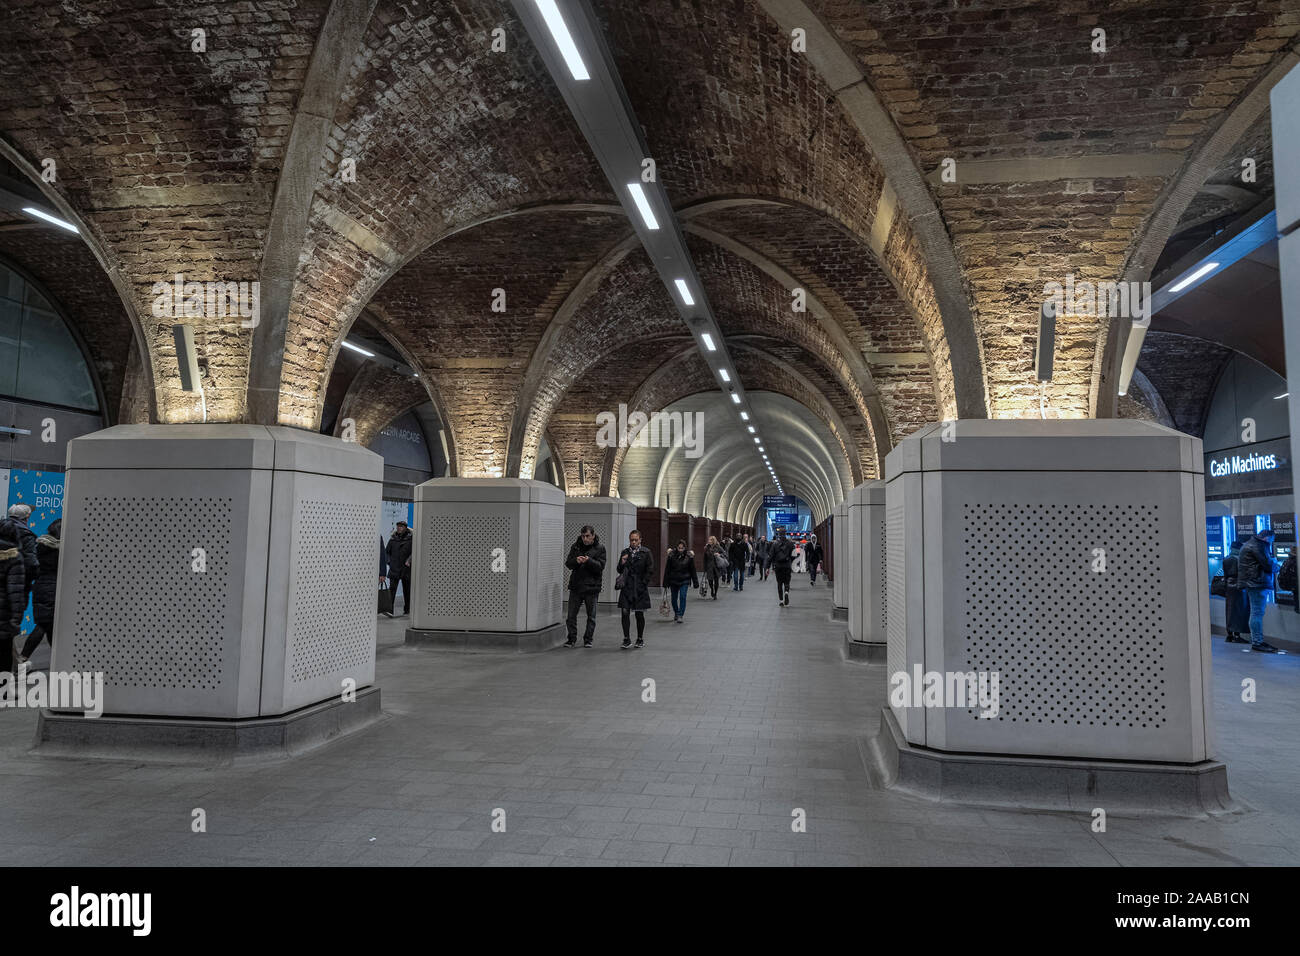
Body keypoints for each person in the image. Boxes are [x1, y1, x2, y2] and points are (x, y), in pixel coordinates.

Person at [17, 519, 60, 665]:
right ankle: (22, 658)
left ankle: (58, 659)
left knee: (49, 627)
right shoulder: (58, 550)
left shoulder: (39, 545)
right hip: (52, 589)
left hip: (40, 587)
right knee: (44, 626)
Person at [1237, 527, 1280, 653]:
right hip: (1257, 583)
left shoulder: (1250, 544)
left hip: (1253, 583)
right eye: (1271, 541)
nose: (1271, 543)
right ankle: (1257, 642)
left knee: (1256, 613)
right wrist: (1276, 565)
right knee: (1257, 613)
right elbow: (1267, 564)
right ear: (1267, 537)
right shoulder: (1258, 545)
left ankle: (1257, 640)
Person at [564, 525, 606, 647]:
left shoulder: (600, 548)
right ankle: (571, 639)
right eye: (583, 536)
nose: (585, 539)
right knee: (571, 616)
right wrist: (576, 561)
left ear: (593, 535)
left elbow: (600, 567)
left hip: (592, 587)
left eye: (587, 536)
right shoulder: (576, 546)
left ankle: (588, 640)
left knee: (591, 616)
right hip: (576, 586)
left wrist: (589, 561)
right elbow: (568, 563)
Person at [616, 530, 654, 648]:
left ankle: (640, 638)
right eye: (631, 540)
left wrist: (643, 583)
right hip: (627, 587)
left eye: (635, 540)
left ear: (640, 540)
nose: (633, 542)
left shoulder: (646, 552)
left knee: (639, 614)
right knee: (625, 612)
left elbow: (650, 569)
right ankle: (626, 638)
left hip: (639, 587)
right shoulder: (625, 552)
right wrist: (622, 562)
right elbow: (619, 569)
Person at [662, 539, 698, 623]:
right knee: (673, 599)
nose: (680, 550)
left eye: (682, 548)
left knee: (682, 596)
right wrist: (665, 582)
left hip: (684, 580)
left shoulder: (689, 556)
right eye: (679, 548)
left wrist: (695, 582)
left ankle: (680, 615)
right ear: (677, 547)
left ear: (685, 548)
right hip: (673, 580)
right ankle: (677, 612)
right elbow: (667, 569)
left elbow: (693, 569)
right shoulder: (671, 555)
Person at [1222, 539, 1250, 644]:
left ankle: (1229, 635)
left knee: (1229, 610)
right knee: (1239, 611)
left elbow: (1225, 574)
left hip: (1229, 586)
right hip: (1239, 586)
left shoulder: (1226, 558)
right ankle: (1237, 635)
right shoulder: (1240, 559)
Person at [385, 521, 413, 616]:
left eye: (401, 526)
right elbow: (387, 552)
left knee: (407, 590)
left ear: (405, 528)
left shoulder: (411, 539)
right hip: (394, 567)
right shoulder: (393, 539)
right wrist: (389, 562)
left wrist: (409, 560)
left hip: (406, 568)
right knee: (392, 590)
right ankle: (389, 610)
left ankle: (407, 609)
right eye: (398, 526)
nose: (399, 528)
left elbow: (415, 552)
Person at [771, 526, 795, 607]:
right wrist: (791, 562)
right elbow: (794, 555)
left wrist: (768, 567)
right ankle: (786, 592)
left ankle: (781, 601)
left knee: (779, 583)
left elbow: (771, 556)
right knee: (787, 582)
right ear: (786, 533)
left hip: (778, 566)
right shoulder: (790, 543)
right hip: (787, 565)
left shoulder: (775, 544)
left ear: (779, 534)